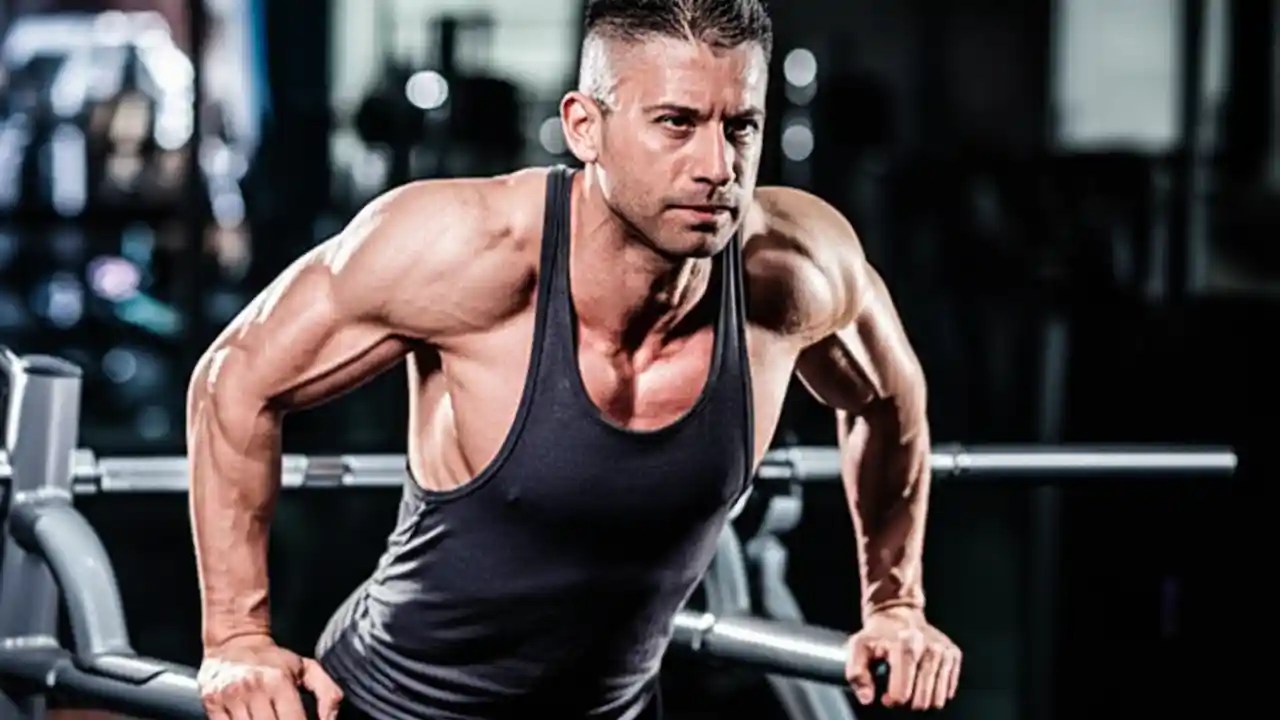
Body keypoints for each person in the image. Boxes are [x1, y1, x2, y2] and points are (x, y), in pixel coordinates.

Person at [188, 1, 961, 718]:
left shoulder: (794, 269)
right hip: (392, 704)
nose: (718, 166)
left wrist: (895, 603)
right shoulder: (465, 250)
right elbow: (235, 376)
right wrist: (236, 638)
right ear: (585, 126)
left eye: (741, 127)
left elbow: (889, 400)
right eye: (676, 123)